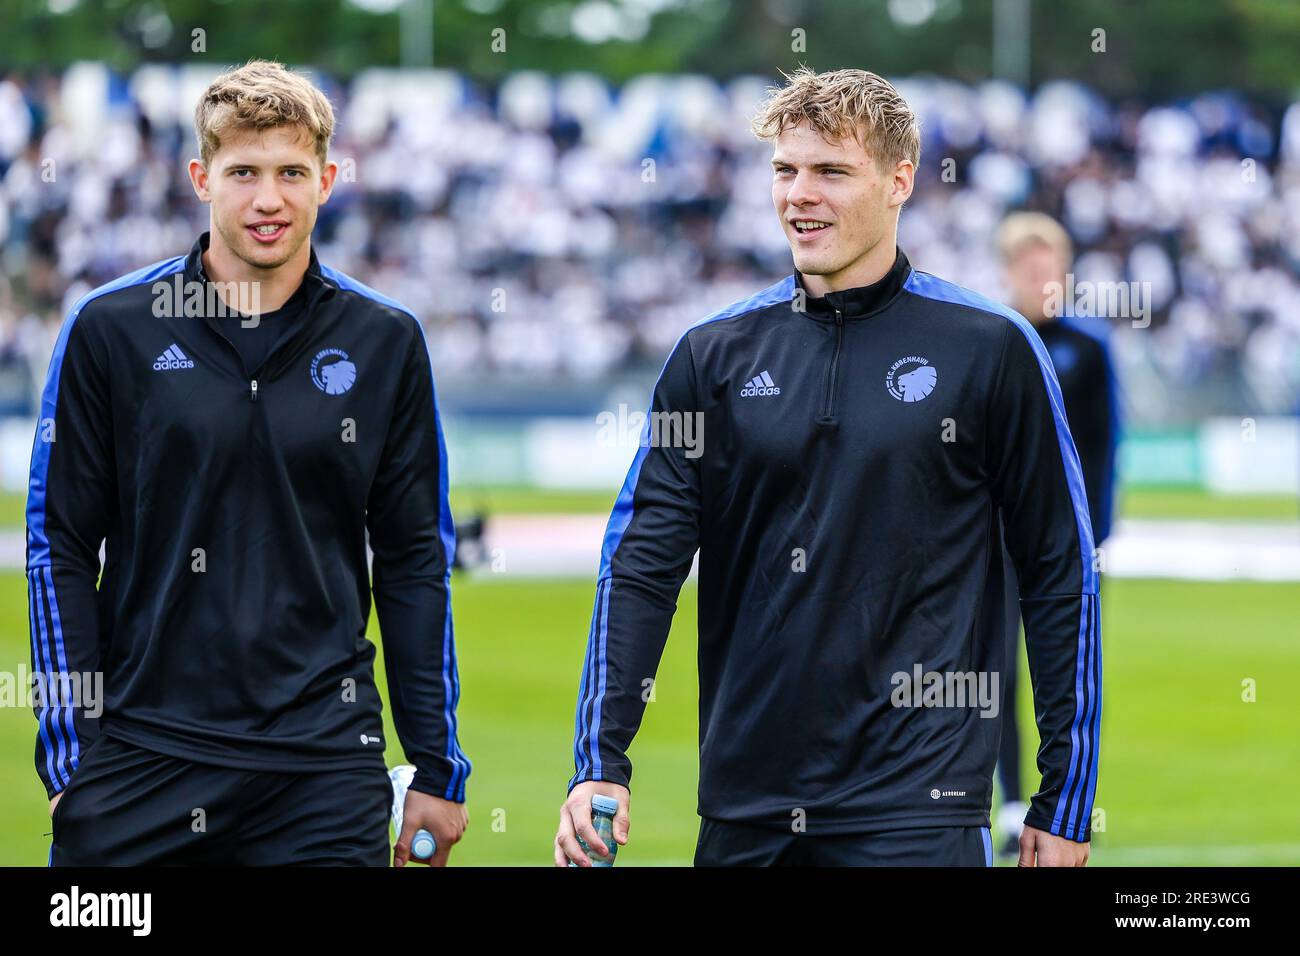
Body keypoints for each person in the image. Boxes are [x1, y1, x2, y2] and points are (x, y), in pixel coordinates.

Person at [555, 67, 1100, 867]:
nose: (799, 195)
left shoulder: (991, 349)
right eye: (785, 171)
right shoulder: (712, 355)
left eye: (831, 172)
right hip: (746, 808)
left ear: (899, 181)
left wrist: (1066, 794)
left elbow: (1060, 572)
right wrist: (600, 758)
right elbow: (641, 564)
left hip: (920, 814)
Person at [28, 59, 469, 866]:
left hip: (323, 768)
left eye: (292, 173)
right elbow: (58, 542)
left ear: (328, 181)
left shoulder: (385, 340)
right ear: (201, 177)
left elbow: (412, 561)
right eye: (243, 173)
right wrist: (71, 759)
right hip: (140, 755)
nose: (269, 199)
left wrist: (437, 767)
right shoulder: (112, 327)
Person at [993, 212, 1120, 858]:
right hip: (997, 541)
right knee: (994, 671)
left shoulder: (1088, 348)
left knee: (1066, 672)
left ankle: (1064, 798)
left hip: (1066, 543)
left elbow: (1102, 447)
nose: (1040, 276)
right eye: (1028, 265)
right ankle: (1011, 799)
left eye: (1049, 265)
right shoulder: (995, 340)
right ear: (1010, 270)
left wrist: (1097, 532)